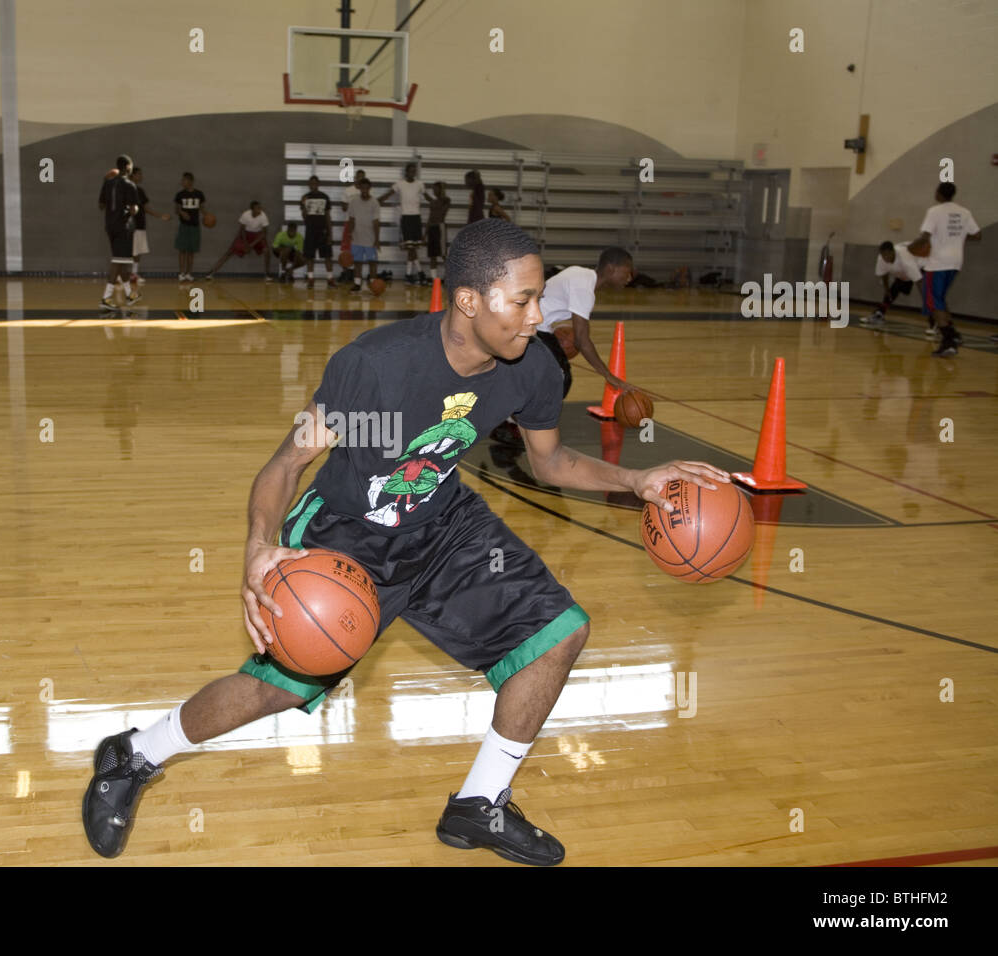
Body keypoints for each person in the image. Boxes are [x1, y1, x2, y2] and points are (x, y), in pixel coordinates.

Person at [81, 217, 730, 866]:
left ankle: (481, 803)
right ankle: (134, 753)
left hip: (444, 525)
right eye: (523, 300)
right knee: (273, 690)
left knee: (559, 634)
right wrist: (258, 547)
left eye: (539, 299)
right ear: (470, 300)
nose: (537, 317)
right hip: (346, 538)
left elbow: (551, 463)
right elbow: (285, 464)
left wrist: (638, 479)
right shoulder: (375, 367)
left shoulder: (531, 368)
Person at [490, 247, 637, 446]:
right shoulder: (584, 285)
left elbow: (555, 310)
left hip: (530, 325)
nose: (629, 277)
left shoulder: (582, 278)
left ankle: (509, 419)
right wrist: (609, 376)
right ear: (611, 268)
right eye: (627, 271)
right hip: (529, 327)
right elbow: (582, 340)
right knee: (560, 379)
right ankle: (513, 422)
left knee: (539, 380)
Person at [908, 183, 981, 357]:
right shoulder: (965, 212)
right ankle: (953, 334)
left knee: (934, 302)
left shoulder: (935, 211)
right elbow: (977, 235)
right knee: (939, 299)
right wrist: (959, 237)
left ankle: (949, 340)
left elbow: (925, 237)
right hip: (956, 261)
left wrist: (911, 247)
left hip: (938, 262)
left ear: (939, 194)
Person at [96, 155, 140, 310]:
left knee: (122, 261)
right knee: (118, 262)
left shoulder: (107, 183)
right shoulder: (129, 185)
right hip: (123, 227)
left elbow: (101, 205)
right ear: (128, 167)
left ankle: (130, 294)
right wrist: (130, 209)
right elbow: (134, 210)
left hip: (110, 226)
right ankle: (106, 298)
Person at [378, 162, 426, 284]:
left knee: (413, 248)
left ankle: (410, 274)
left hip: (417, 217)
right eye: (410, 170)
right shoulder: (399, 184)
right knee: (410, 248)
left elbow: (427, 197)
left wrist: (438, 201)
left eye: (414, 170)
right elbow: (388, 195)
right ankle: (417, 273)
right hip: (406, 218)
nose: (412, 172)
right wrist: (376, 201)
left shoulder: (420, 184)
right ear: (406, 172)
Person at [859, 240, 922, 330]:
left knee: (928, 296)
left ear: (893, 251)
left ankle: (936, 322)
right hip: (904, 275)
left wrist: (927, 298)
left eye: (888, 254)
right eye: (883, 255)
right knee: (891, 293)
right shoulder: (881, 258)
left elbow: (919, 280)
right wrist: (886, 289)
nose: (885, 257)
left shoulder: (904, 257)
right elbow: (884, 274)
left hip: (921, 268)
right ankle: (879, 314)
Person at [207, 201, 273, 280]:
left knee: (267, 251)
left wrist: (251, 245)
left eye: (260, 208)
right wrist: (245, 244)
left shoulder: (263, 216)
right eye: (257, 208)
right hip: (245, 235)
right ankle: (212, 272)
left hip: (257, 236)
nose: (260, 209)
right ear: (252, 209)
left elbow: (264, 234)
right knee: (229, 252)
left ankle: (267, 274)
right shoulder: (246, 214)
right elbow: (242, 230)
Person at [128, 168, 171, 286]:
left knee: (137, 251)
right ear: (133, 175)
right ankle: (123, 275)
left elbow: (145, 208)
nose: (141, 176)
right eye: (139, 174)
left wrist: (160, 216)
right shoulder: (126, 190)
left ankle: (134, 274)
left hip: (140, 224)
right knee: (128, 251)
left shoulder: (140, 191)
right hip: (130, 225)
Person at [345, 179, 382, 293]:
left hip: (370, 239)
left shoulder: (374, 202)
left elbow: (376, 222)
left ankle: (373, 284)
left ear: (370, 188)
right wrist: (349, 234)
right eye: (362, 188)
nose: (364, 190)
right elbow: (351, 219)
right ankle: (357, 284)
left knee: (372, 262)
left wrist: (377, 239)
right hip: (357, 237)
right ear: (359, 188)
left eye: (367, 188)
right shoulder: (354, 202)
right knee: (357, 262)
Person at [299, 175, 336, 288]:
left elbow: (328, 216)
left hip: (323, 231)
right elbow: (304, 217)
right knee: (310, 257)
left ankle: (330, 279)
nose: (313, 185)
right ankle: (311, 279)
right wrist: (304, 205)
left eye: (315, 183)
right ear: (309, 184)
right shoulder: (305, 197)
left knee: (327, 256)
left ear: (318, 184)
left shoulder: (324, 197)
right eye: (311, 183)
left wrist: (330, 233)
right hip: (310, 231)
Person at [173, 172, 208, 281]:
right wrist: (182, 213)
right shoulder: (180, 195)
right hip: (184, 225)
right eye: (182, 180)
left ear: (190, 181)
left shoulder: (199, 194)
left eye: (184, 180)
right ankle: (181, 273)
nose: (182, 182)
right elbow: (176, 210)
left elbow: (202, 208)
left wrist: (207, 216)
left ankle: (189, 273)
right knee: (182, 250)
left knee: (191, 251)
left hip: (195, 225)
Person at [338, 169, 367, 283]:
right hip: (349, 223)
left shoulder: (367, 192)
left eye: (362, 177)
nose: (360, 179)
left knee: (358, 250)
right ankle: (346, 272)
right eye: (358, 177)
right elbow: (343, 208)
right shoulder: (348, 190)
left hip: (362, 224)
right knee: (346, 250)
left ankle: (355, 274)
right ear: (355, 178)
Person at [424, 181, 451, 280]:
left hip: (440, 227)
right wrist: (425, 234)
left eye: (436, 188)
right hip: (432, 228)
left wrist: (443, 189)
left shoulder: (446, 200)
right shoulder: (433, 202)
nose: (434, 190)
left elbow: (443, 203)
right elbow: (430, 218)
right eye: (433, 189)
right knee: (432, 255)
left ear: (441, 189)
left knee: (443, 254)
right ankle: (434, 278)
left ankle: (449, 276)